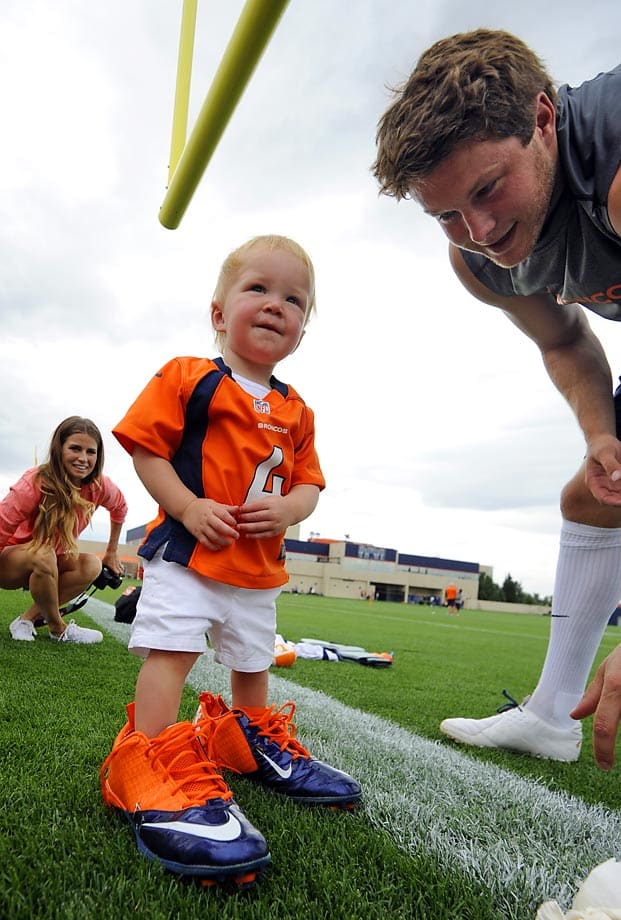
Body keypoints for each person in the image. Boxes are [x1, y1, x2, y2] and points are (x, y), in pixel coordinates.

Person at [373, 29, 621, 769]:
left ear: (542, 120)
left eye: (485, 190)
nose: (477, 231)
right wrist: (600, 434)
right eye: (445, 213)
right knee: (593, 497)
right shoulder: (478, 261)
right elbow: (564, 344)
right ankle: (549, 715)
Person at [101, 235, 361, 886]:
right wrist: (186, 507)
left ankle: (243, 742)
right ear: (219, 313)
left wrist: (291, 511)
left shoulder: (295, 409)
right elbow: (147, 452)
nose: (276, 305)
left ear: (303, 328)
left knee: (251, 661)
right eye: (258, 289)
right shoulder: (189, 377)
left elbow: (306, 482)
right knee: (172, 654)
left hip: (256, 568)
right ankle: (148, 759)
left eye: (293, 299)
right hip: (189, 556)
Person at [1, 416, 127, 644]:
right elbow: (2, 526)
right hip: (11, 564)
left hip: (48, 560)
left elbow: (120, 508)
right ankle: (58, 627)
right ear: (59, 449)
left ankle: (25, 621)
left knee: (92, 565)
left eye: (91, 452)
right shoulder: (34, 482)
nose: (83, 458)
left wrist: (111, 552)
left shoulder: (100, 486)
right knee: (43, 553)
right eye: (75, 449)